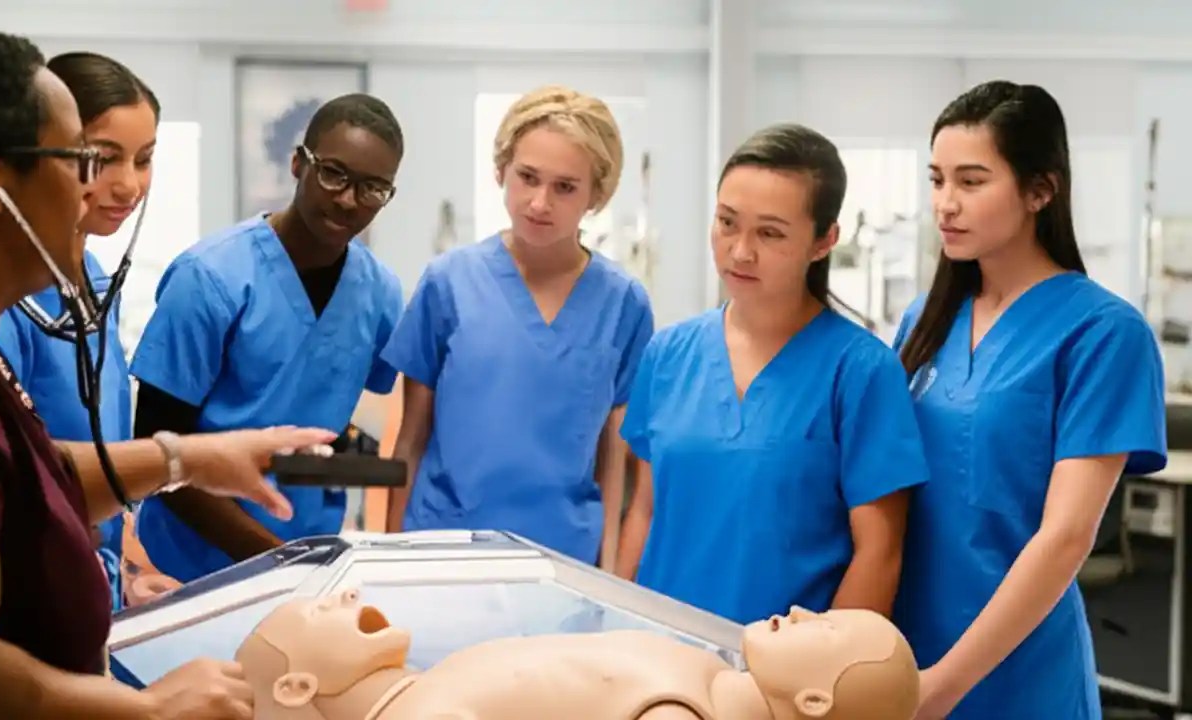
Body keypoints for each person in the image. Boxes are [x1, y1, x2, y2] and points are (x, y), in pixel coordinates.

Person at [0, 25, 337, 718]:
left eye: (140, 160)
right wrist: (149, 712)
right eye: (79, 157)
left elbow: (26, 480)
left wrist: (188, 459)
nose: (102, 189)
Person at [891, 81, 1168, 720]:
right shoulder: (923, 322)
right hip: (904, 651)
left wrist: (944, 687)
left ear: (1040, 191)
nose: (945, 204)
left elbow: (1067, 535)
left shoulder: (1103, 333)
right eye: (937, 180)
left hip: (1015, 671)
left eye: (972, 181)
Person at [614, 124, 930, 625]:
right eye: (727, 223)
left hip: (783, 672)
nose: (740, 251)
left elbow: (880, 552)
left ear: (824, 241)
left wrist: (822, 676)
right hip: (662, 661)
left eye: (770, 233)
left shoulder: (861, 372)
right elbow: (646, 512)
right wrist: (617, 629)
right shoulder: (669, 353)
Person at [129, 93, 405, 583]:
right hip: (185, 566)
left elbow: (322, 417)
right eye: (334, 173)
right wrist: (273, 559)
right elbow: (153, 447)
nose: (348, 199)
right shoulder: (211, 276)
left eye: (372, 188)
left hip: (308, 556)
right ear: (299, 163)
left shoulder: (379, 291)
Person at [380, 85, 653, 568]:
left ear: (597, 195)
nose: (540, 202)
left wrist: (608, 568)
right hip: (442, 547)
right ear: (501, 170)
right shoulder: (448, 283)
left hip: (562, 559)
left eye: (565, 187)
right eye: (527, 177)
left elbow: (615, 456)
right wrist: (391, 561)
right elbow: (409, 438)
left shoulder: (623, 303)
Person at [0, 50, 179, 611]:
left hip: (88, 580)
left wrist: (123, 573)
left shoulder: (94, 280)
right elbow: (13, 472)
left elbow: (104, 441)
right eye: (104, 158)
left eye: (143, 160)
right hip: (23, 586)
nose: (128, 186)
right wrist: (184, 458)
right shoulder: (3, 293)